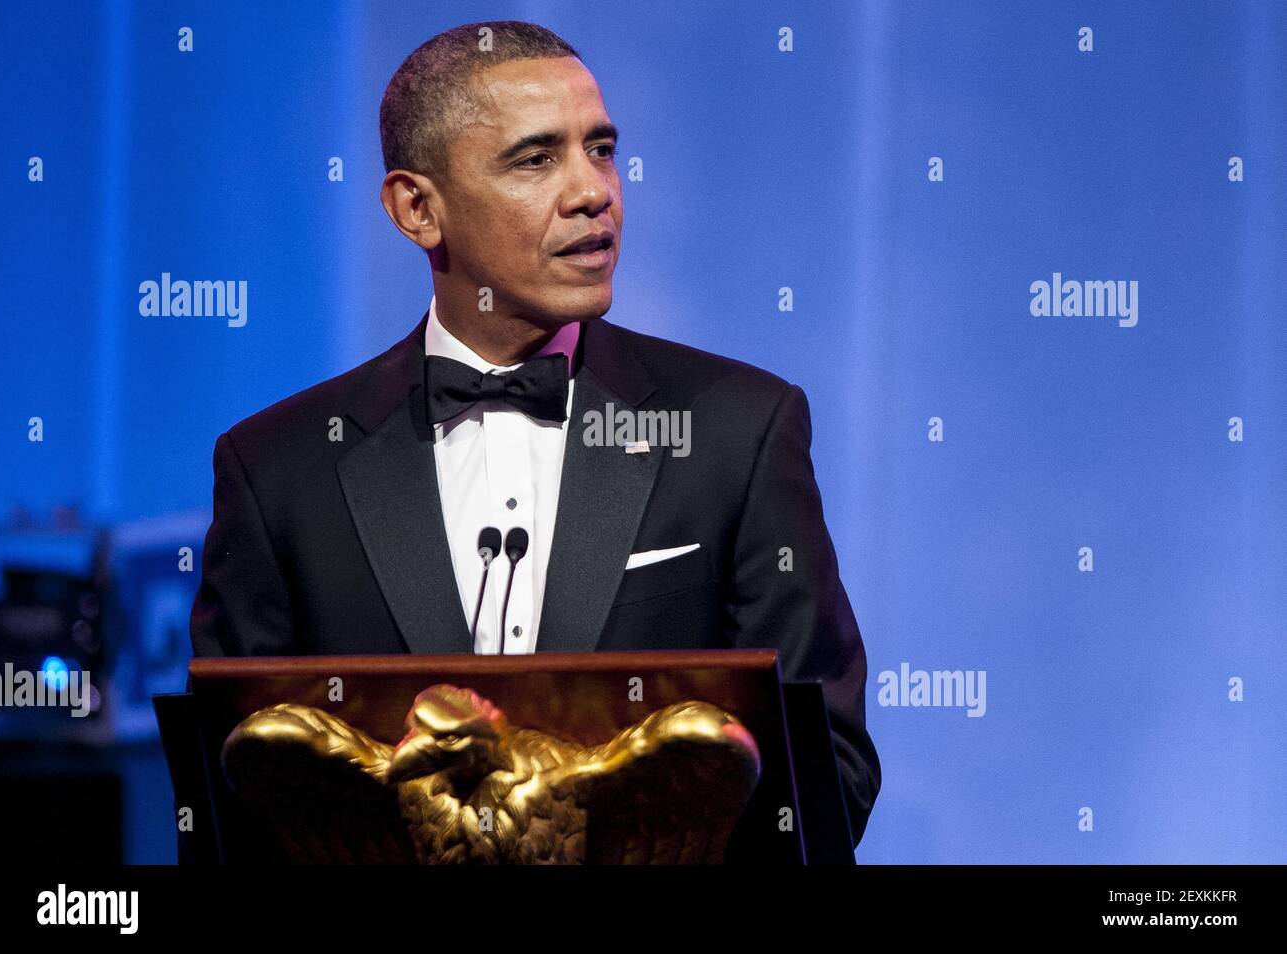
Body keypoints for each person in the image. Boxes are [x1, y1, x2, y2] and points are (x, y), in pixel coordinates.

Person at [189, 19, 880, 849]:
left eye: (601, 148)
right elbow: (227, 799)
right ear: (417, 208)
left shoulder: (739, 430)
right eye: (536, 159)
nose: (595, 192)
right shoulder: (278, 470)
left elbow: (827, 771)